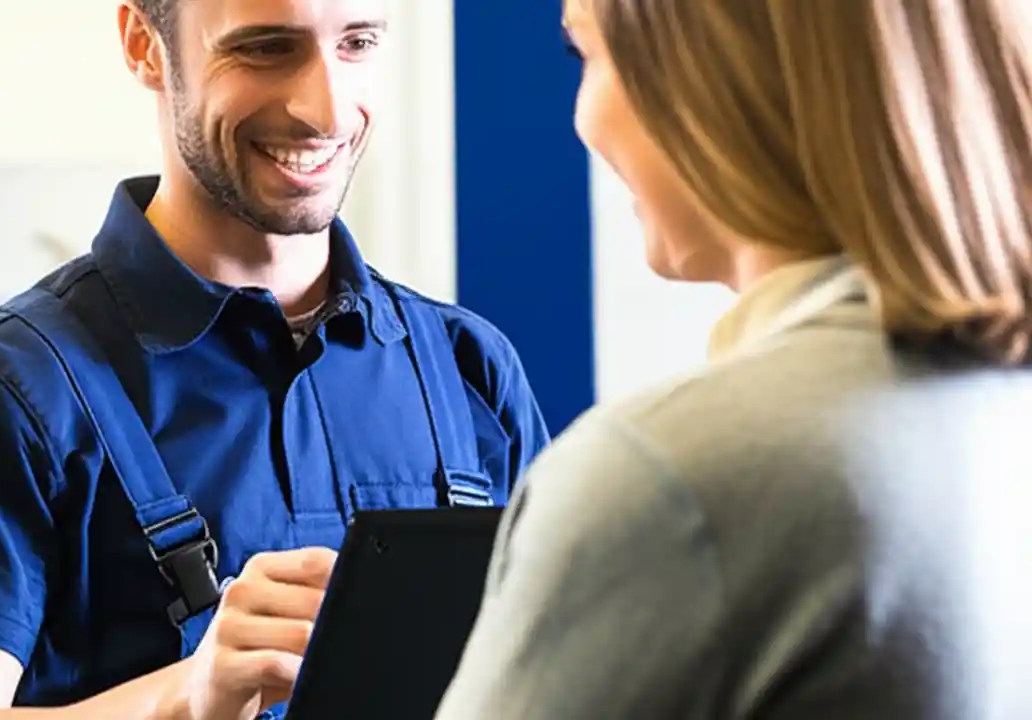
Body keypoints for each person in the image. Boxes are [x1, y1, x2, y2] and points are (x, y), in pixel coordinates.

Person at [0, 1, 549, 718]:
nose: (325, 111)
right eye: (266, 48)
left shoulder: (468, 371)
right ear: (144, 44)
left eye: (356, 43)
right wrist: (186, 694)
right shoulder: (2, 389)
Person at [438, 0, 1032, 718]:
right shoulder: (997, 403)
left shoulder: (666, 476)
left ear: (713, 72)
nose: (582, 121)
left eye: (586, 55)